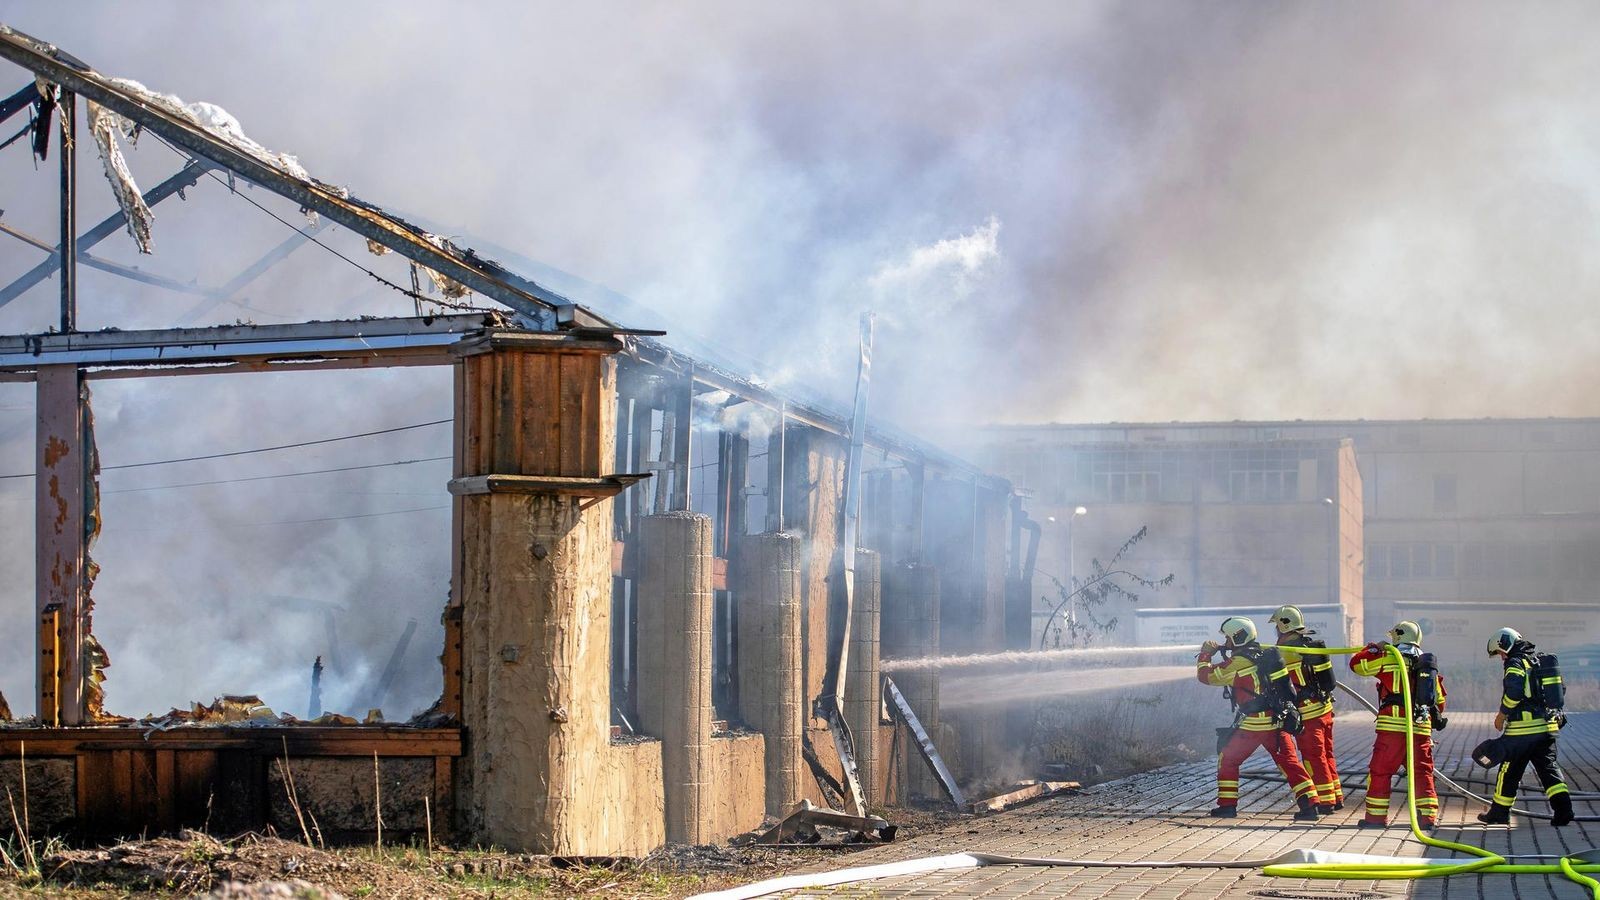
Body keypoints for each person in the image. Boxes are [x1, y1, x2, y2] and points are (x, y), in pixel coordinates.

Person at [1197, 615, 1321, 821]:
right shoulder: (1264, 654)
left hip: (1255, 724)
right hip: (1277, 720)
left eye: (1228, 638)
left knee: (1227, 759)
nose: (1225, 642)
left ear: (1238, 638)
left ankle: (1227, 806)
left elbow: (1206, 677)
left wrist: (1205, 655)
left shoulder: (1238, 662)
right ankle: (1310, 805)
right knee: (1290, 763)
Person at [1349, 621, 1446, 829]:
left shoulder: (1389, 657)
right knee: (1422, 773)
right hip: (1419, 729)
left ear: (1397, 637)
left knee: (1381, 772)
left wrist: (1374, 649)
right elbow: (1439, 701)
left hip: (1392, 729)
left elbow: (1356, 665)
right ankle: (1427, 819)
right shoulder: (1427, 665)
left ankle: (1375, 819)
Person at [1479, 628, 1573, 826]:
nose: (1501, 658)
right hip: (1546, 729)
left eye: (1500, 652)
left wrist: (1501, 715)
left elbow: (1514, 692)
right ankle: (1564, 812)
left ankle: (1499, 813)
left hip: (1521, 732)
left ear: (1506, 645)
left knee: (1508, 771)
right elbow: (1559, 690)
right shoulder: (1539, 661)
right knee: (1549, 770)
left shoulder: (1515, 662)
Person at [1272, 604, 1343, 813]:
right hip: (1324, 709)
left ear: (1283, 627)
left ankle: (1325, 801)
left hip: (1309, 713)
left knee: (1314, 757)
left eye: (1277, 627)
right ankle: (1336, 796)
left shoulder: (1287, 652)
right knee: (1327, 754)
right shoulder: (1309, 645)